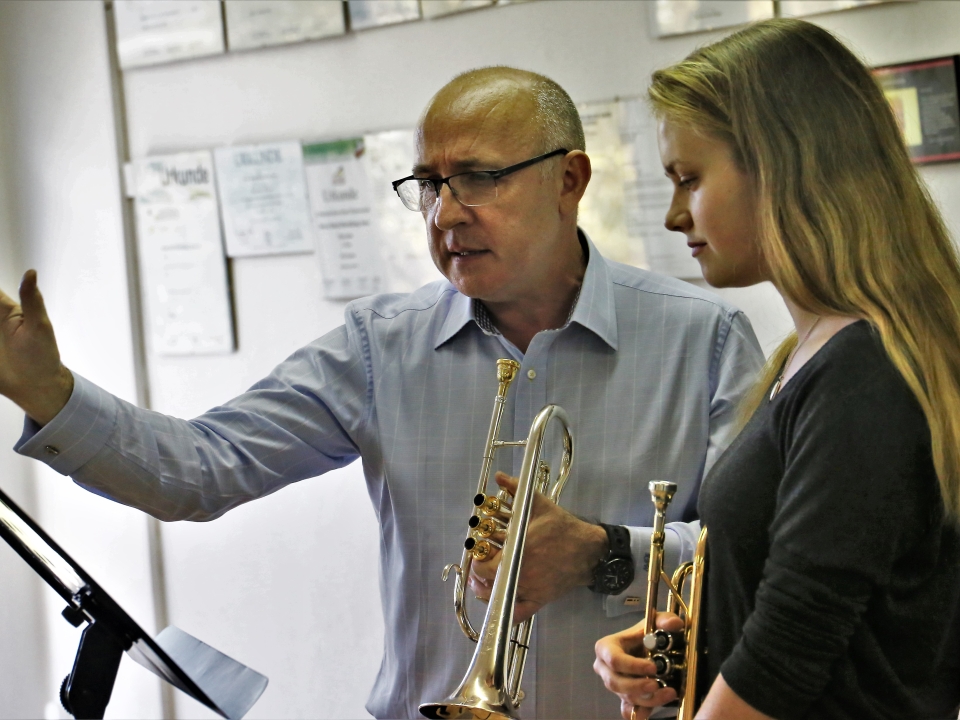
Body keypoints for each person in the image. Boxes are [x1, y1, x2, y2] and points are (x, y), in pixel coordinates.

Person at [0, 67, 764, 718]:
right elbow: (200, 469)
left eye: (479, 178)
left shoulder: (706, 338)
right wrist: (51, 394)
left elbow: (761, 556)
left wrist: (605, 554)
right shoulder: (378, 347)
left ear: (570, 180)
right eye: (428, 185)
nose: (446, 213)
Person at [593, 18, 960, 720]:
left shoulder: (866, 371)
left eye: (690, 179)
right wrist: (695, 643)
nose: (675, 215)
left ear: (781, 164)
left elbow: (791, 649)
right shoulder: (809, 354)